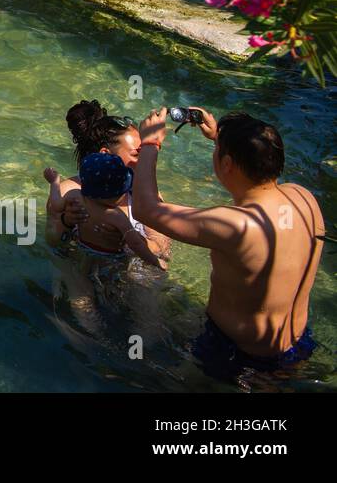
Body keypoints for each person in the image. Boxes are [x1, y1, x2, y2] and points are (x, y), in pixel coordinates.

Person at [130, 107, 323, 380]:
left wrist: (150, 143)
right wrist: (220, 139)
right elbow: (254, 171)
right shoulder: (304, 198)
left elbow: (145, 209)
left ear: (228, 164)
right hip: (296, 343)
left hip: (238, 356)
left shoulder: (233, 225)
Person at [44, 154, 168, 268]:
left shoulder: (75, 197)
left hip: (83, 251)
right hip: (113, 259)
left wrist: (54, 182)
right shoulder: (116, 216)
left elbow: (56, 205)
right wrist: (155, 261)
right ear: (119, 193)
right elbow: (136, 245)